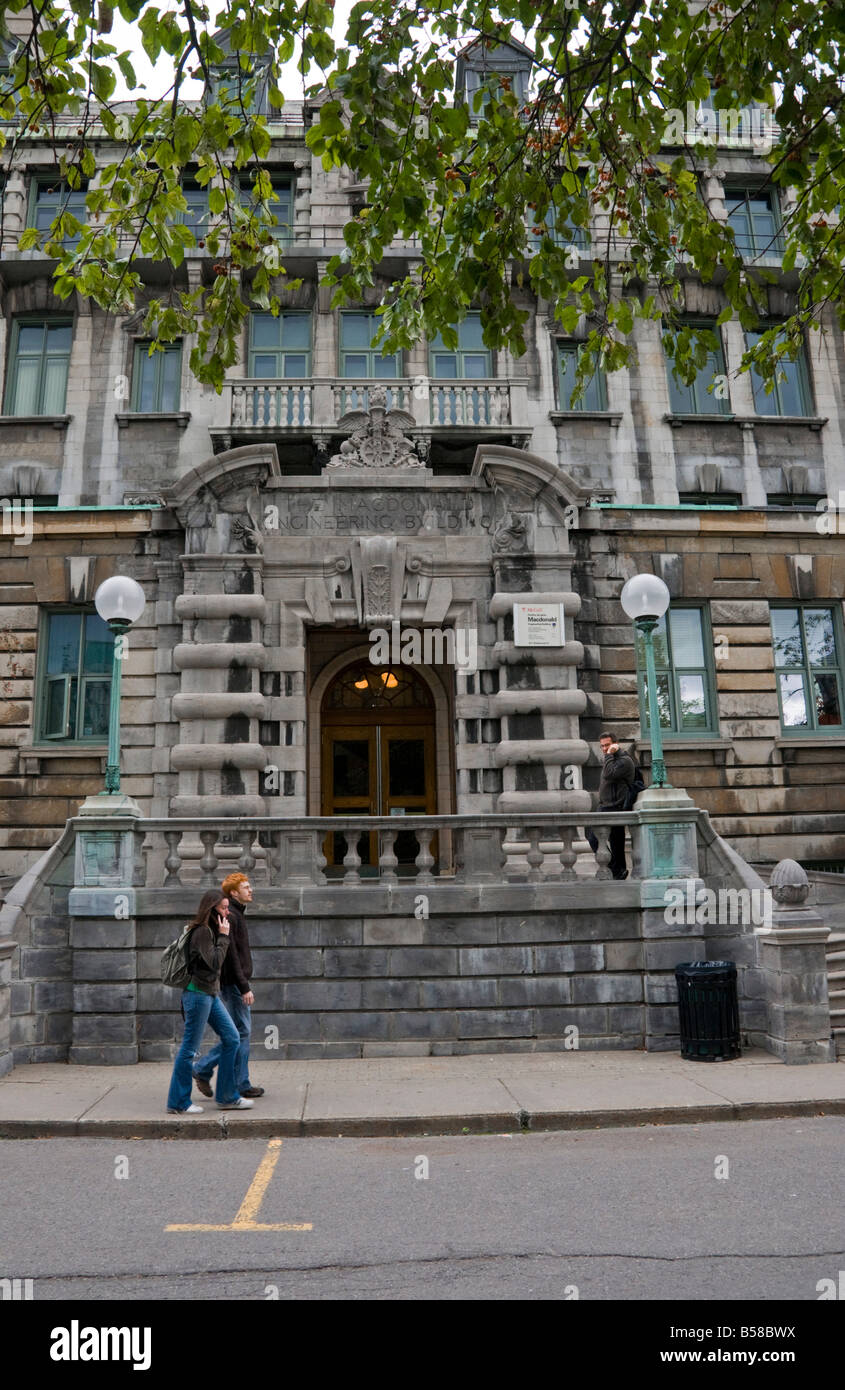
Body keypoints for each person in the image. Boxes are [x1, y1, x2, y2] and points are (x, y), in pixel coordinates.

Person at [166, 891, 254, 1114]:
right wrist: (224, 937)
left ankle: (226, 1096)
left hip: (209, 994)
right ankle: (178, 1102)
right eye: (224, 908)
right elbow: (214, 963)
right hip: (197, 995)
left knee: (232, 1038)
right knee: (189, 1049)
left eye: (227, 907)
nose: (227, 912)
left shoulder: (211, 931)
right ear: (212, 909)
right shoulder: (203, 932)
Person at [192, 873, 264, 1100]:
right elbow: (230, 956)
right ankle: (206, 1069)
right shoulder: (230, 915)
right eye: (246, 887)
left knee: (238, 1034)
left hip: (235, 982)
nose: (250, 890)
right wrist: (244, 987)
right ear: (234, 893)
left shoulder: (236, 913)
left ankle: (238, 1081)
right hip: (234, 983)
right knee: (239, 1034)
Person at [585, 731, 635, 880]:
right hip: (606, 805)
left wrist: (608, 755)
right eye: (602, 746)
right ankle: (618, 870)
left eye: (607, 745)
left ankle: (617, 870)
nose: (605, 749)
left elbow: (608, 774)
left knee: (605, 840)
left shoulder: (624, 761)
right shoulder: (612, 760)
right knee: (610, 840)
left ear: (615, 744)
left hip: (615, 806)